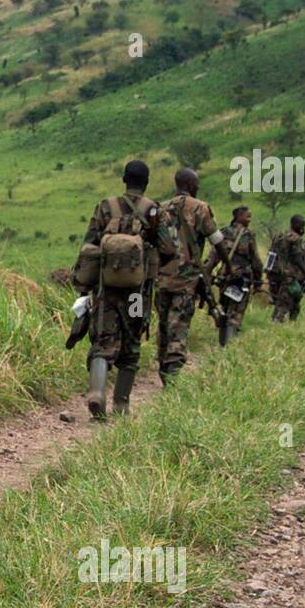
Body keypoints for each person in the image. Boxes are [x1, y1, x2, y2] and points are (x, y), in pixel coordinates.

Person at [76, 160, 177, 417]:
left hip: (105, 288)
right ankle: (121, 405)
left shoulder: (105, 206)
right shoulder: (154, 210)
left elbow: (89, 246)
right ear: (147, 182)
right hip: (136, 291)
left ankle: (97, 393)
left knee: (102, 341)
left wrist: (84, 287)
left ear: (124, 179)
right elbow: (168, 249)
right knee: (130, 346)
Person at [155, 168, 230, 382]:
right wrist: (228, 265)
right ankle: (172, 377)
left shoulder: (160, 208)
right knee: (178, 325)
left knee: (163, 324)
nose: (198, 187)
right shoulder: (201, 208)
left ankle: (163, 367)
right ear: (189, 185)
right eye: (196, 184)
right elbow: (217, 241)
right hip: (186, 280)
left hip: (162, 278)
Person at [204, 205, 263, 344]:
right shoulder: (248, 235)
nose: (250, 218)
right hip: (242, 278)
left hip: (225, 277)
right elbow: (256, 260)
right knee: (236, 312)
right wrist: (258, 279)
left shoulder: (223, 232)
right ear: (238, 216)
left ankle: (222, 340)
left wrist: (207, 274)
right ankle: (229, 345)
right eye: (247, 215)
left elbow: (213, 257)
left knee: (224, 308)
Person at [268, 214, 305, 322]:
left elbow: (271, 255)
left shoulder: (278, 236)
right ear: (296, 225)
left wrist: (268, 272)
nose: (303, 228)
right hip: (288, 276)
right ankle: (277, 328)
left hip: (275, 274)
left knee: (283, 302)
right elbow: (298, 260)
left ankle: (287, 326)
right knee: (283, 305)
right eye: (302, 225)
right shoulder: (295, 239)